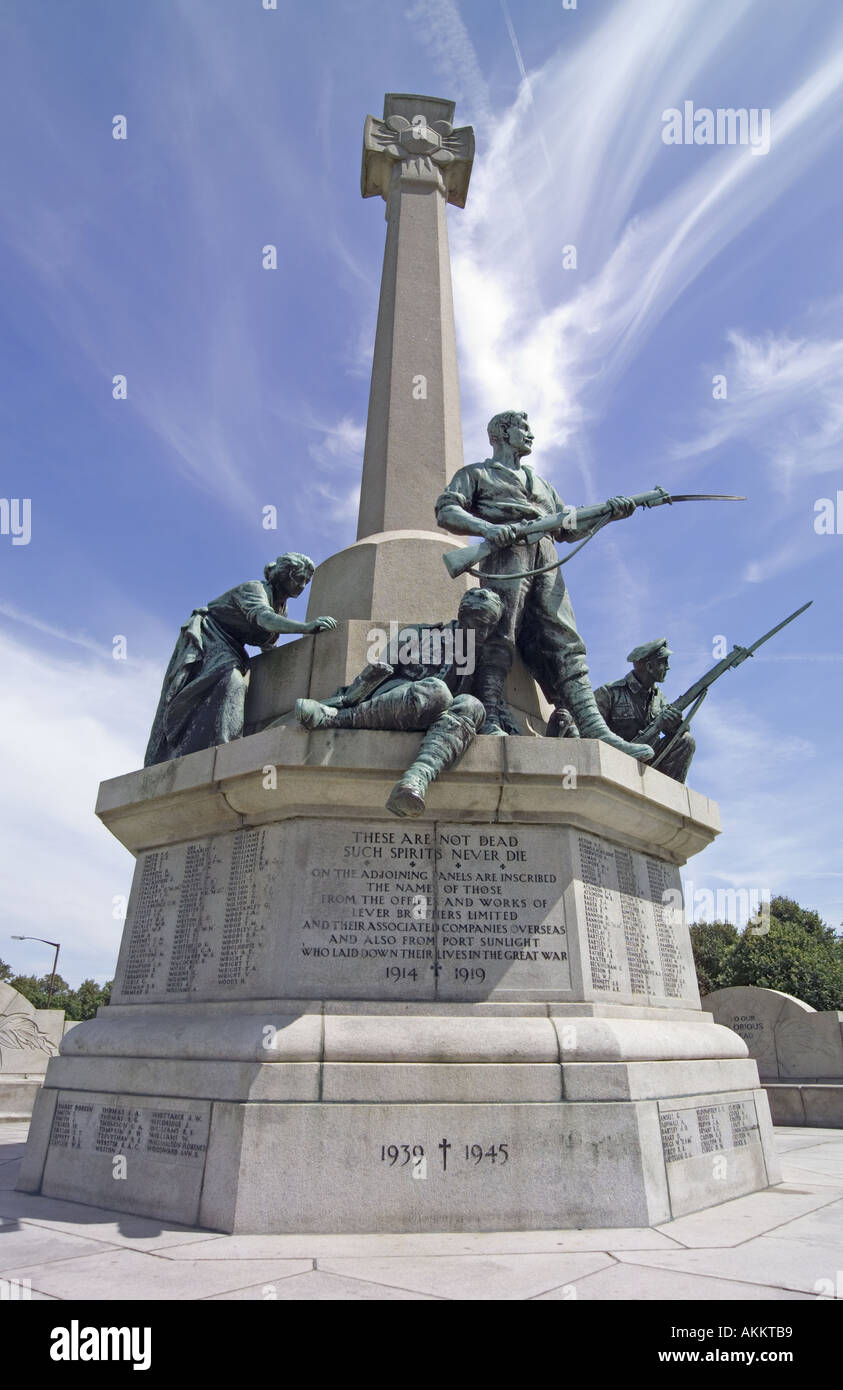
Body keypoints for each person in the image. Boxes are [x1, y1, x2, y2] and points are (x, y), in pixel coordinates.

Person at [434, 410, 653, 761]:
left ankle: (594, 728)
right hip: (508, 551)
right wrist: (487, 528)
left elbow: (568, 527)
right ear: (501, 434)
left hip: (546, 557)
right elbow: (446, 511)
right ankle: (489, 712)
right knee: (500, 631)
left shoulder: (542, 484)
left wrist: (608, 514)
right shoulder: (476, 474)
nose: (530, 433)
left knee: (565, 638)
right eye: (522, 428)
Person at [295, 588, 503, 816]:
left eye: (489, 627)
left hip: (437, 721)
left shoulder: (479, 658)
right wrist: (346, 700)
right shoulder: (421, 633)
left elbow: (489, 706)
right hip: (396, 698)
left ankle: (416, 780)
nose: (483, 632)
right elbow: (377, 671)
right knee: (437, 691)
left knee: (473, 705)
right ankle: (334, 718)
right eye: (479, 622)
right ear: (464, 614)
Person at [144, 553, 336, 765]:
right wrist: (306, 628)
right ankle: (226, 748)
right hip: (210, 637)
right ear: (284, 575)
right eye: (298, 578)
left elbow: (267, 644)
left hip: (233, 648)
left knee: (229, 684)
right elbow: (264, 618)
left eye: (306, 581)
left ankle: (203, 745)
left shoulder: (281, 606)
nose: (302, 585)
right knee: (232, 681)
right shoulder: (255, 589)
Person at [589, 639, 695, 783]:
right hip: (613, 762)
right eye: (663, 662)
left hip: (649, 762)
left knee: (686, 741)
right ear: (650, 666)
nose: (668, 667)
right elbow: (590, 731)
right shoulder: (610, 693)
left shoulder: (659, 699)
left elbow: (678, 734)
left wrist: (675, 724)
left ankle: (668, 796)